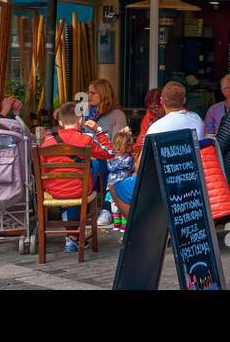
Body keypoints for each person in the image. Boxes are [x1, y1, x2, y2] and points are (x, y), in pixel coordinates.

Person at [40, 101, 120, 253]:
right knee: (89, 171)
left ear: (60, 121)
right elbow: (110, 153)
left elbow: (41, 168)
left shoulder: (46, 142)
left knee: (68, 185)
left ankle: (71, 237)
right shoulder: (86, 140)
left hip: (53, 190)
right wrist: (99, 131)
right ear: (80, 120)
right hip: (80, 189)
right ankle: (72, 238)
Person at [101, 128, 137, 230]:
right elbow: (113, 167)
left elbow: (114, 167)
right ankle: (119, 225)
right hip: (116, 184)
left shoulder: (116, 158)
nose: (130, 148)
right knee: (117, 206)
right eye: (128, 145)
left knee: (120, 206)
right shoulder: (124, 158)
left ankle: (121, 226)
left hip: (117, 183)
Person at [133, 86, 164, 157]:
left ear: (164, 104)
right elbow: (140, 143)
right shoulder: (147, 118)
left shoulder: (173, 116)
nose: (153, 111)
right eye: (150, 108)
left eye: (156, 108)